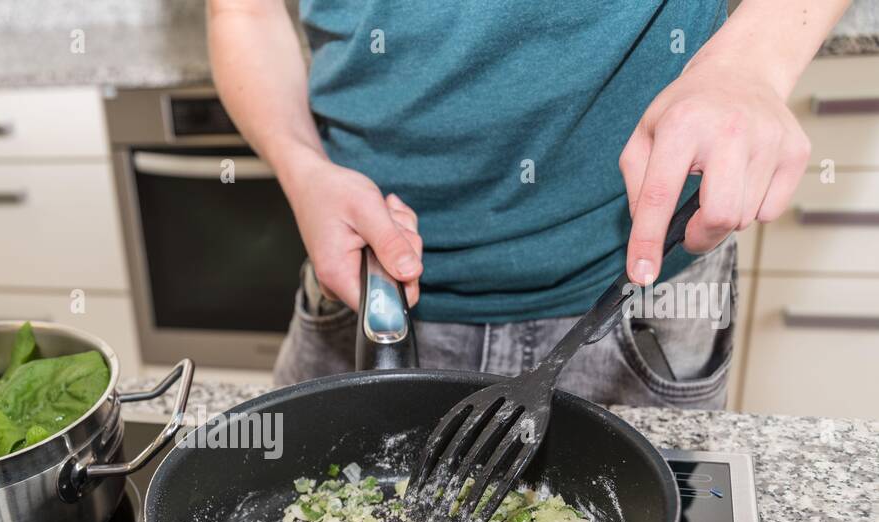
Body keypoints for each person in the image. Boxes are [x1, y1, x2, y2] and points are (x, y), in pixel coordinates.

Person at [208, 0, 851, 407]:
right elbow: (243, 12)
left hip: (631, 301)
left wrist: (753, 60)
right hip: (362, 288)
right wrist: (302, 169)